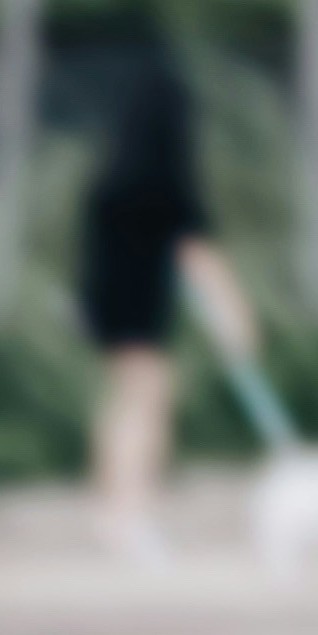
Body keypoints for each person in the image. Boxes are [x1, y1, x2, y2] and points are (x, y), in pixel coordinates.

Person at [78, 49, 260, 567]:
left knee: (122, 401)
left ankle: (110, 511)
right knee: (148, 406)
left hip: (106, 300)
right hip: (140, 303)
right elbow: (195, 252)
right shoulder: (165, 181)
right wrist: (233, 315)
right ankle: (129, 518)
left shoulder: (109, 180)